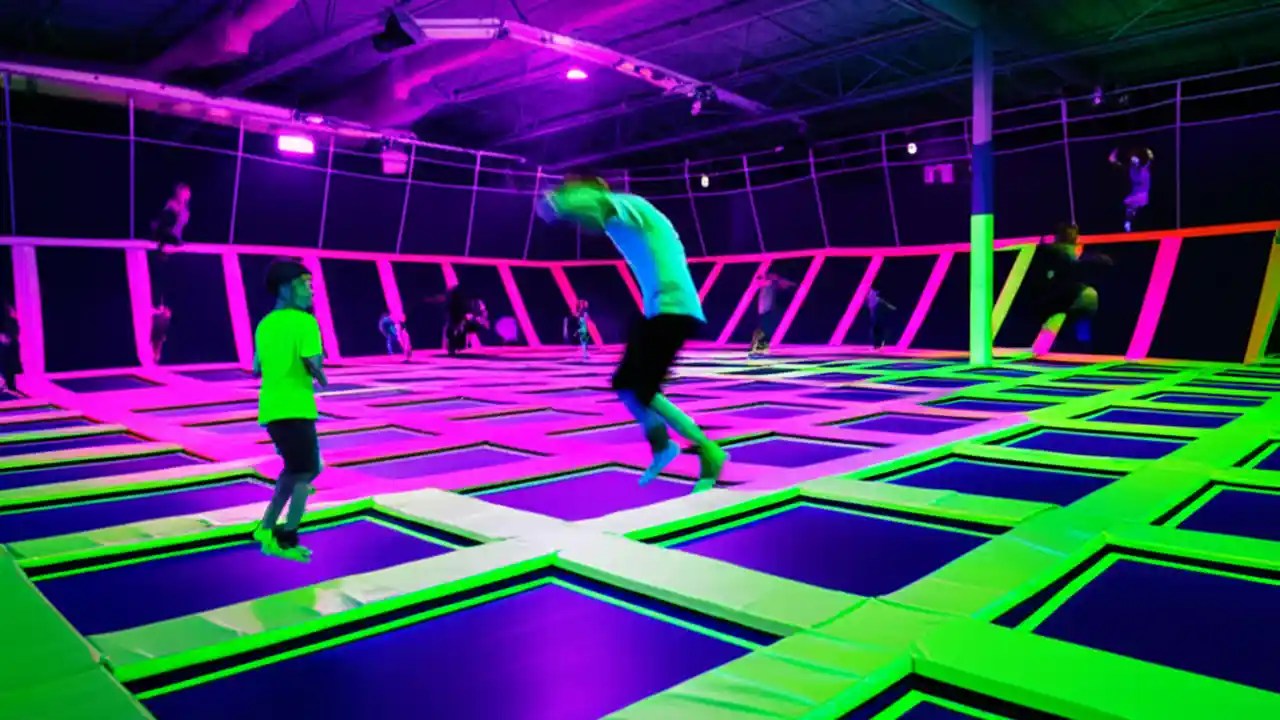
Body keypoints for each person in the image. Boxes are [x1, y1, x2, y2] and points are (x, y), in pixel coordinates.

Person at [537, 173, 727, 492]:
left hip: (675, 308)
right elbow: (595, 214)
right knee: (625, 384)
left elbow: (595, 204)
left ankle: (710, 452)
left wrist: (558, 200)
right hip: (658, 309)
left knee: (643, 388)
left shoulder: (626, 205)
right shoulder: (620, 218)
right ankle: (663, 446)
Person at [251, 260, 328, 562]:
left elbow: (257, 369)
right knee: (308, 471)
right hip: (296, 407)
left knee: (293, 470)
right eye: (305, 284)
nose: (311, 290)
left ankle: (266, 525)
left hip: (271, 408)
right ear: (286, 287)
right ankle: (286, 538)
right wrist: (322, 377)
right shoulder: (306, 322)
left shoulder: (265, 323)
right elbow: (313, 362)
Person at [1030, 223, 1112, 355]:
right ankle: (1079, 347)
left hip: (1073, 296)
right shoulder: (1060, 252)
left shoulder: (1064, 252)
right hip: (1070, 296)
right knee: (1073, 322)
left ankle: (1081, 348)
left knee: (1076, 322)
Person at [750, 272, 797, 357]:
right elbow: (759, 280)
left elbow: (785, 284)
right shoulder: (767, 283)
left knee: (765, 329)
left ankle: (760, 348)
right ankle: (758, 348)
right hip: (764, 310)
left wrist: (779, 280)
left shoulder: (771, 284)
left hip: (767, 310)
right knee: (763, 329)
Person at [1109, 147, 1152, 233]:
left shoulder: (1144, 169)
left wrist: (1148, 152)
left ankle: (1130, 223)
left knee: (1134, 208)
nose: (1134, 163)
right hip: (1135, 194)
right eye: (1133, 162)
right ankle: (1128, 223)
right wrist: (1113, 160)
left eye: (1135, 161)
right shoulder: (1130, 170)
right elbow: (1120, 166)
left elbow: (1151, 159)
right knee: (1129, 207)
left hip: (1142, 195)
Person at [152, 183, 192, 250]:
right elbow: (162, 220)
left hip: (176, 240)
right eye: (185, 192)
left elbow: (180, 225)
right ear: (178, 193)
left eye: (188, 193)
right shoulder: (171, 204)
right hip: (166, 239)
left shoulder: (185, 210)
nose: (187, 195)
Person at [0, 305, 20, 393]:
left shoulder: (12, 322)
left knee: (9, 366)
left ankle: (8, 385)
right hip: (6, 345)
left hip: (10, 346)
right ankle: (5, 384)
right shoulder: (8, 322)